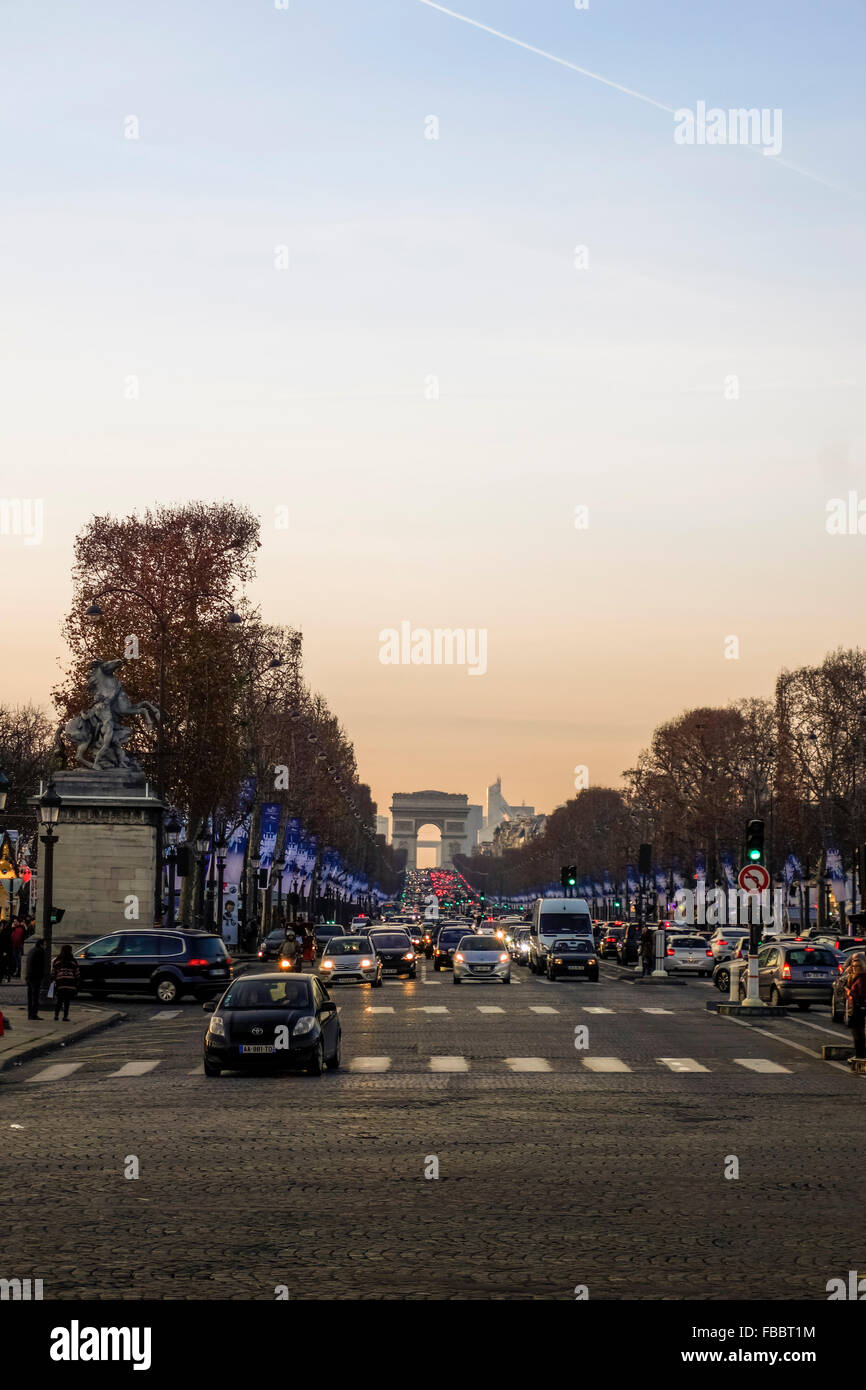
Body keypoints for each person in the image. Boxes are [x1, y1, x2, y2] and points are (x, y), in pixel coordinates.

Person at [50, 942, 80, 1022]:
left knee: (59, 1000)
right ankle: (65, 1017)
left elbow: (53, 973)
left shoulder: (57, 961)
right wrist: (76, 981)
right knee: (67, 1001)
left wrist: (53, 980)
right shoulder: (73, 961)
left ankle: (56, 1015)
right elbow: (77, 973)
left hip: (60, 982)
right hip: (70, 982)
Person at [845, 955, 866, 1063]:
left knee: (858, 1033)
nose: (854, 968)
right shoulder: (854, 977)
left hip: (859, 1008)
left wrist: (850, 992)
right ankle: (859, 1054)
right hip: (854, 1008)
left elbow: (862, 994)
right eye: (853, 966)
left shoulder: (862, 978)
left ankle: (860, 1055)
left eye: (857, 966)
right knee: (856, 1032)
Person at [25, 937, 46, 1020]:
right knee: (35, 996)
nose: (46, 946)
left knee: (30, 996)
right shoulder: (40, 951)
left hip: (29, 976)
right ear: (41, 944)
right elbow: (40, 966)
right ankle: (34, 1014)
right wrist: (42, 976)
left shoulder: (31, 950)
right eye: (45, 944)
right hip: (36, 977)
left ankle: (30, 1014)